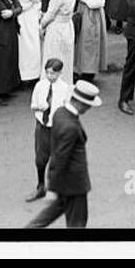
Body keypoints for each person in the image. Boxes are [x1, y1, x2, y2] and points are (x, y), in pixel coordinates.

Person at [26, 79, 100, 229]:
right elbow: (60, 158)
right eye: (88, 105)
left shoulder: (59, 113)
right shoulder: (71, 127)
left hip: (64, 183)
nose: (89, 109)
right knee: (78, 224)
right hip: (74, 185)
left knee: (47, 216)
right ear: (81, 104)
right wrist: (52, 189)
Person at [26, 56, 72, 202]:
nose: (50, 76)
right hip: (42, 126)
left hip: (57, 129)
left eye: (53, 73)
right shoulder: (40, 86)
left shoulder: (65, 89)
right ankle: (40, 187)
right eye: (48, 72)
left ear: (60, 73)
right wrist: (40, 107)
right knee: (40, 159)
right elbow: (33, 105)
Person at [72, 0, 108, 83]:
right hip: (82, 10)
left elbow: (99, 1)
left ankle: (89, 73)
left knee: (90, 42)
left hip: (92, 13)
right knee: (81, 40)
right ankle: (81, 68)